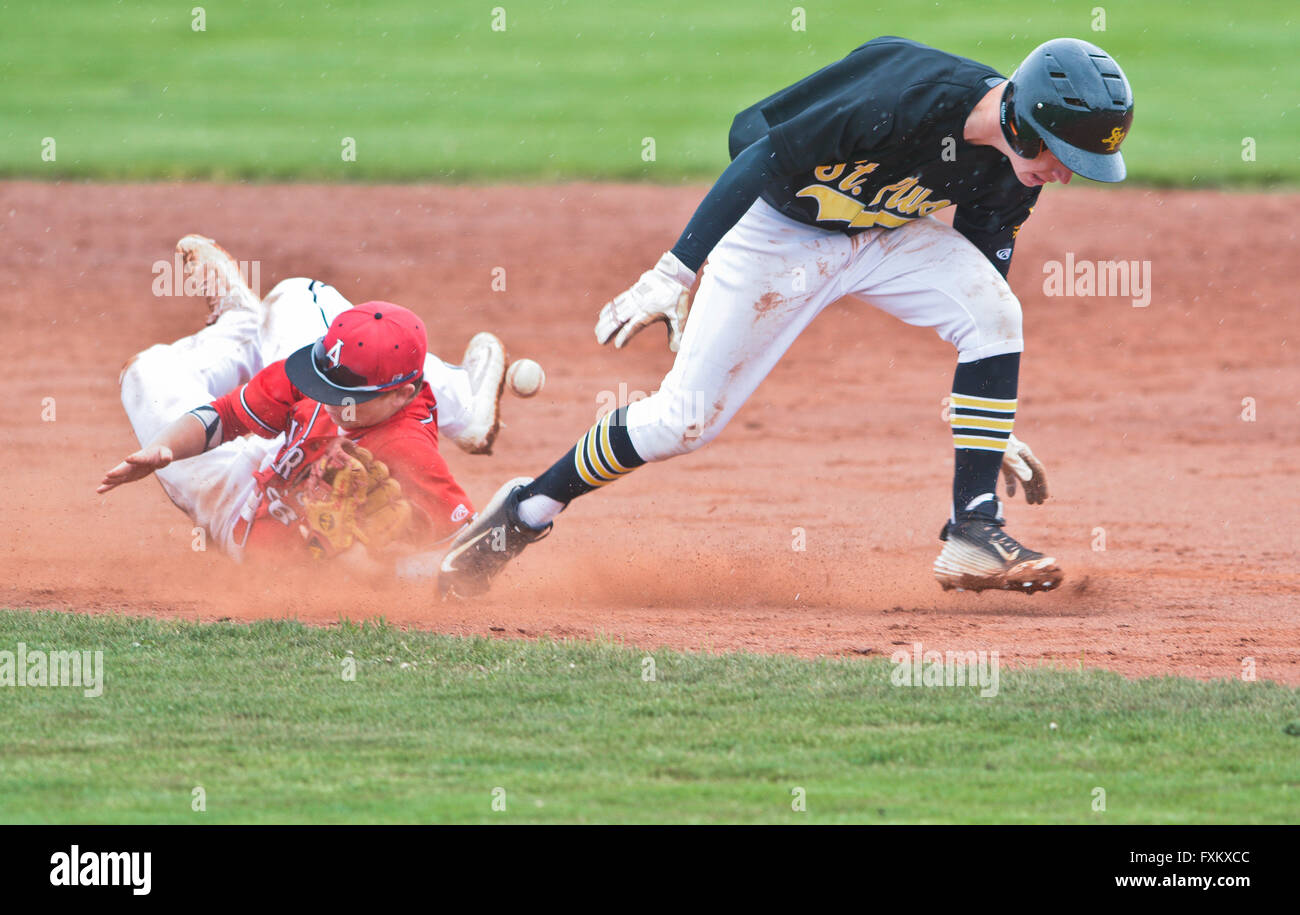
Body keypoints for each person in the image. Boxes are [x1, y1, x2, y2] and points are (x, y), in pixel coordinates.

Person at [437, 36, 1134, 598]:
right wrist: (671, 273)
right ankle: (527, 510)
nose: (1064, 174)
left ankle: (974, 527)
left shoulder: (1013, 171)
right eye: (1060, 153)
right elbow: (764, 154)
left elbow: (983, 278)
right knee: (683, 421)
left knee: (995, 312)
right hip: (779, 230)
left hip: (883, 233)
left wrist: (981, 411)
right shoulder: (910, 98)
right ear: (1019, 119)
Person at [100, 235, 518, 572]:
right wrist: (167, 447)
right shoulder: (318, 380)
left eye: (349, 398)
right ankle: (243, 324)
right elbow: (226, 416)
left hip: (237, 508)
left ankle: (247, 328)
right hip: (275, 449)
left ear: (400, 396)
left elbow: (460, 558)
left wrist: (380, 554)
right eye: (327, 386)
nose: (333, 403)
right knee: (295, 294)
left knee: (142, 375)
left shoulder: (405, 450)